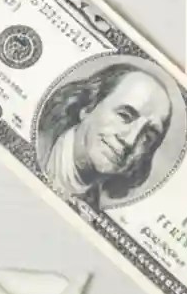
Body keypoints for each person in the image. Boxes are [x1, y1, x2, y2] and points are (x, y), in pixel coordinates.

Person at [37, 63, 174, 208]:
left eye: (148, 137)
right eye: (124, 116)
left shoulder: (94, 208)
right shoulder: (39, 146)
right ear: (88, 106)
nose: (130, 141)